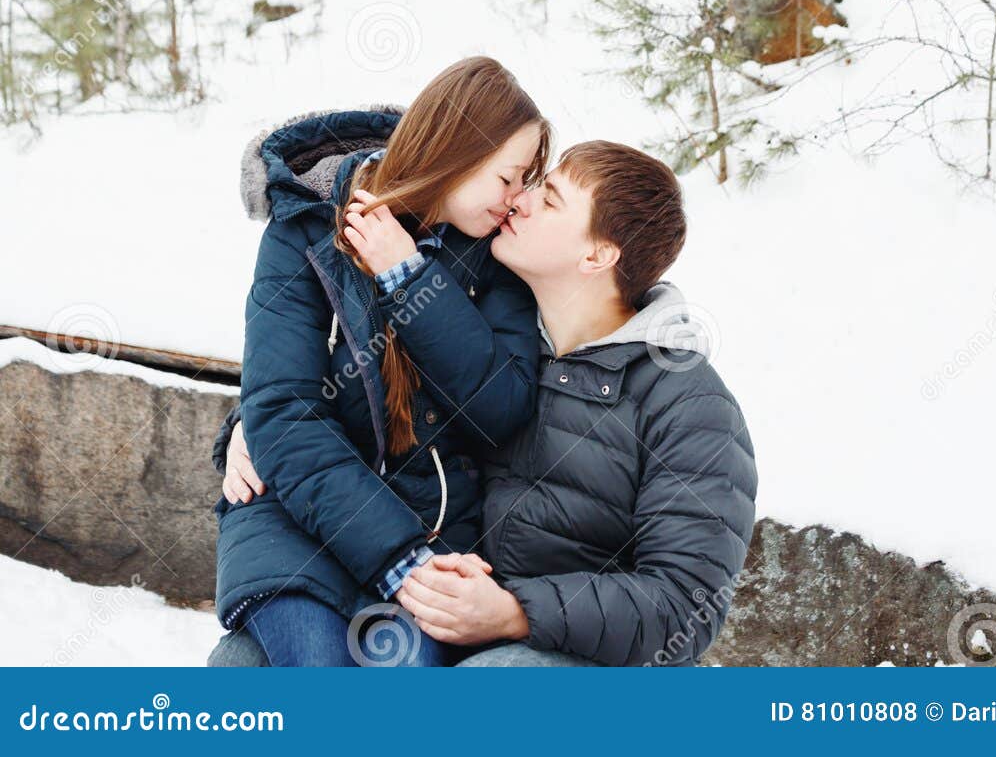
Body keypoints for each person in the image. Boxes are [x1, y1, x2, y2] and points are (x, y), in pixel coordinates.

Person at [217, 138, 757, 668]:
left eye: (549, 200)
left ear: (597, 255)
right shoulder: (495, 342)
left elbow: (686, 606)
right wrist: (252, 423)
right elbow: (364, 386)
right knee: (241, 663)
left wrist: (516, 613)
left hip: (584, 658)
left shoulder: (688, 401)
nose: (519, 200)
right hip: (452, 615)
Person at [210, 56, 550, 667]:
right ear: (458, 152)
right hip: (298, 526)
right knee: (318, 666)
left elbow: (501, 408)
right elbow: (284, 410)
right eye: (510, 177)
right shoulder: (306, 225)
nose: (517, 198)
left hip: (431, 531)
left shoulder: (499, 257)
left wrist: (409, 278)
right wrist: (397, 559)